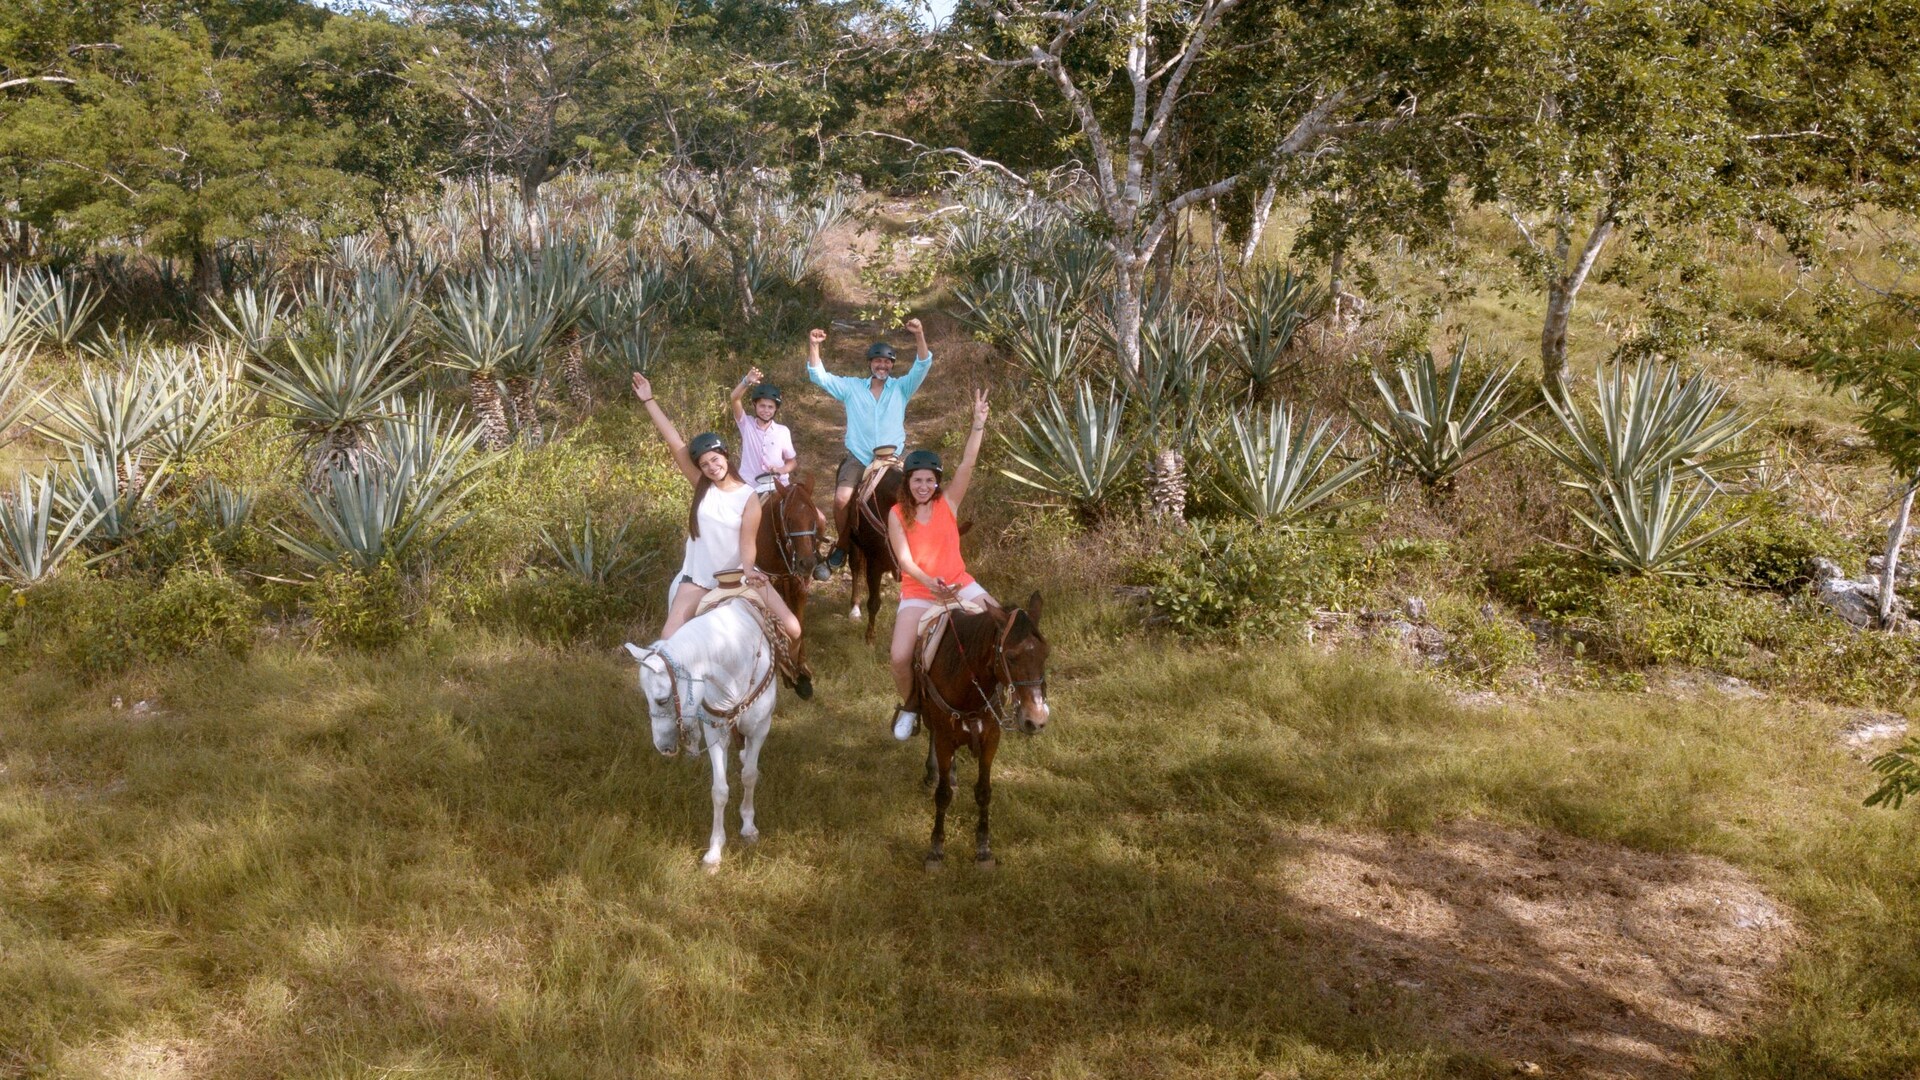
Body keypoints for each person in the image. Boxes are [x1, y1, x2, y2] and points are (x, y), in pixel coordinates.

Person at [632, 372, 802, 643]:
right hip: (698, 580)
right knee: (668, 637)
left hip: (738, 578)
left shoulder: (748, 496)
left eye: (715, 459)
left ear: (725, 455)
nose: (712, 467)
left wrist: (749, 570)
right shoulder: (702, 485)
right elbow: (674, 441)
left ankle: (791, 670)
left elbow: (747, 543)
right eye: (705, 464)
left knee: (793, 628)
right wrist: (649, 400)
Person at [884, 388, 994, 740]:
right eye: (917, 480)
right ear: (907, 482)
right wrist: (930, 583)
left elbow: (968, 465)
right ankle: (912, 706)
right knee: (900, 657)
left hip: (962, 584)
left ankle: (1001, 698)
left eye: (930, 480)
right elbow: (904, 560)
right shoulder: (897, 513)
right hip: (920, 592)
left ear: (936, 483)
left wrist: (977, 425)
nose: (924, 485)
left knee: (1003, 628)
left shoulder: (948, 503)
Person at [805, 318, 932, 572]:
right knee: (841, 499)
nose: (882, 365)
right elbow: (818, 376)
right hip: (859, 458)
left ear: (892, 365)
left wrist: (919, 334)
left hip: (893, 459)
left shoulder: (901, 388)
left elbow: (922, 365)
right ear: (870, 364)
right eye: (877, 361)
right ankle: (842, 544)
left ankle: (922, 546)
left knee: (921, 493)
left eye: (886, 362)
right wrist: (814, 345)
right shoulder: (852, 387)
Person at [730, 366, 833, 577]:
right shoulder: (746, 424)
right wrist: (746, 381)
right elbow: (734, 399)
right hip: (751, 486)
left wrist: (781, 469)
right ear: (755, 406)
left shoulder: (782, 431)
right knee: (734, 524)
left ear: (776, 409)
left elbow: (792, 461)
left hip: (782, 486)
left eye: (770, 407)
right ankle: (736, 564)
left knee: (819, 518)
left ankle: (816, 557)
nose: (766, 410)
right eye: (762, 406)